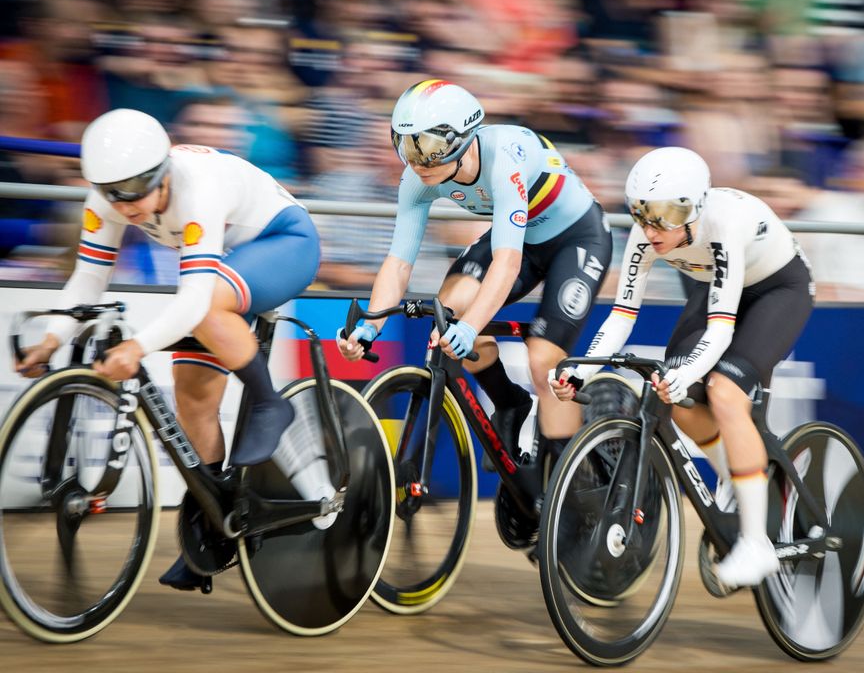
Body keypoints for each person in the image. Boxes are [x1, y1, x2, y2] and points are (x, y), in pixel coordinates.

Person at [14, 108, 320, 591]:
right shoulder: (107, 198)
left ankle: (268, 401)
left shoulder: (196, 185)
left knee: (207, 302)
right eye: (115, 193)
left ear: (162, 172)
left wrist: (137, 346)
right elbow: (89, 277)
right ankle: (212, 529)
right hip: (225, 272)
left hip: (284, 243)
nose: (127, 205)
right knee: (193, 399)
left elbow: (196, 299)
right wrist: (51, 337)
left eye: (138, 188)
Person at [336, 79, 612, 514]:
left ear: (460, 138)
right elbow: (398, 263)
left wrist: (471, 327)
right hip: (519, 237)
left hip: (576, 239)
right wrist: (370, 324)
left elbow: (507, 265)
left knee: (544, 362)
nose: (416, 161)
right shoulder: (418, 177)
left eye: (425, 147)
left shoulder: (503, 159)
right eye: (406, 146)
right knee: (447, 312)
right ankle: (510, 402)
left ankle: (572, 490)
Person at [551, 147, 815, 588]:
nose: (650, 228)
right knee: (673, 394)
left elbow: (719, 333)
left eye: (663, 215)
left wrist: (688, 372)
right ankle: (738, 471)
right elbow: (621, 316)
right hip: (714, 286)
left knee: (725, 392)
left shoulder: (723, 223)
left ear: (693, 208)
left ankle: (756, 545)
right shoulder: (645, 237)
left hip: (777, 290)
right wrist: (581, 371)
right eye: (640, 213)